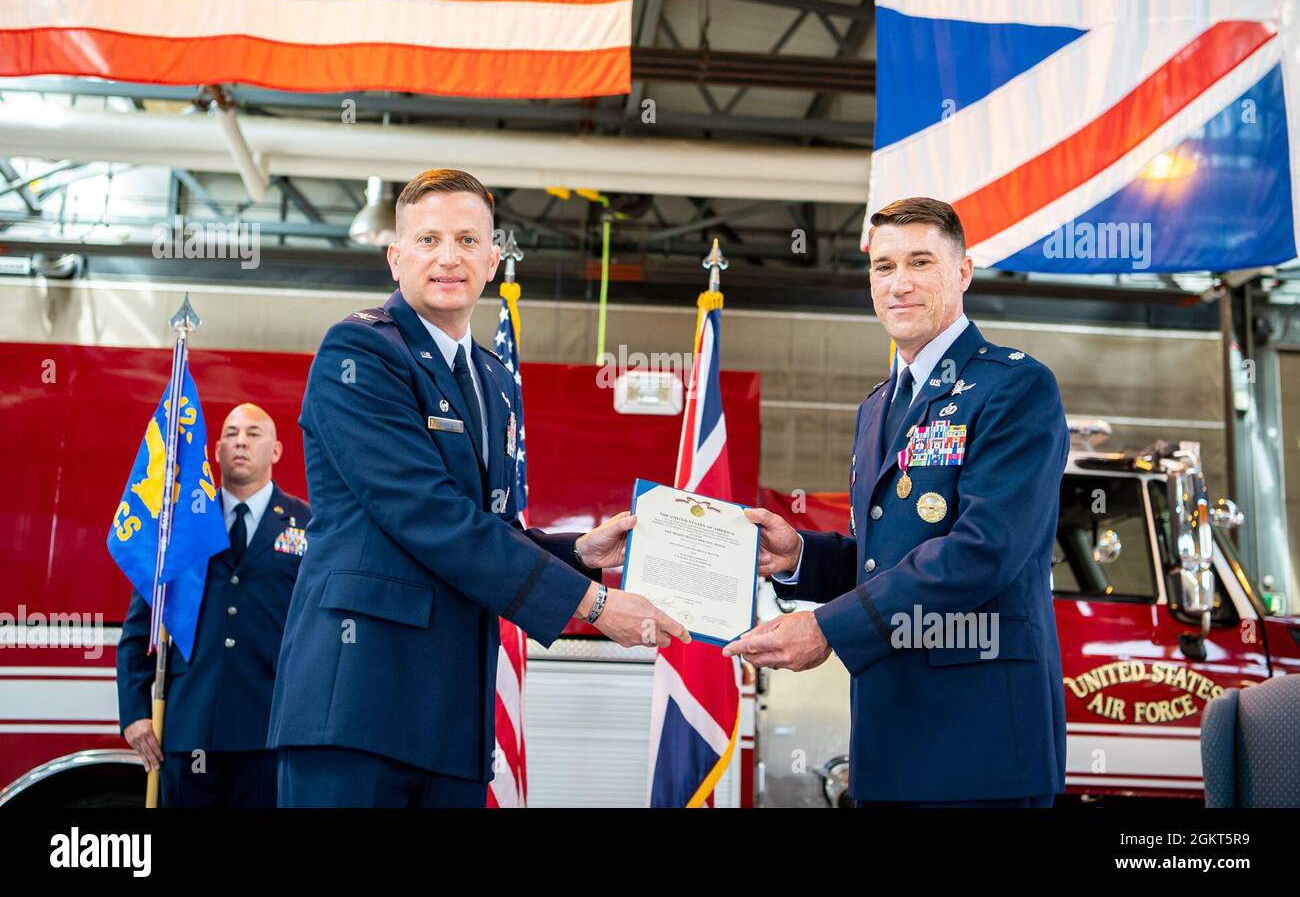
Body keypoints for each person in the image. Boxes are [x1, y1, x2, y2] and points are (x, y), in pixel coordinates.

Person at [268, 168, 688, 807]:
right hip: (356, 704)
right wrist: (595, 607)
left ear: (492, 260)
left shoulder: (491, 378)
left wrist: (580, 552)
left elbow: (483, 524)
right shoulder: (360, 351)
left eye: (467, 240)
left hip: (453, 717)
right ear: (396, 257)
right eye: (428, 239)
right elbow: (428, 516)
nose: (448, 257)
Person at [725, 197, 1068, 807]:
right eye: (883, 267)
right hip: (887, 737)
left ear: (963, 273)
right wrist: (801, 557)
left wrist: (828, 628)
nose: (899, 284)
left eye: (920, 262)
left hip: (981, 744)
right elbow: (886, 556)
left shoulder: (1014, 386)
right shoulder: (879, 405)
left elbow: (982, 553)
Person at [117, 402, 310, 807]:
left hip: (269, 732)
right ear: (217, 450)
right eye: (232, 433)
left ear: (276, 450)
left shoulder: (308, 525)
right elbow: (141, 628)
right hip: (188, 729)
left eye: (254, 433)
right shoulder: (182, 524)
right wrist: (135, 712)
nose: (241, 441)